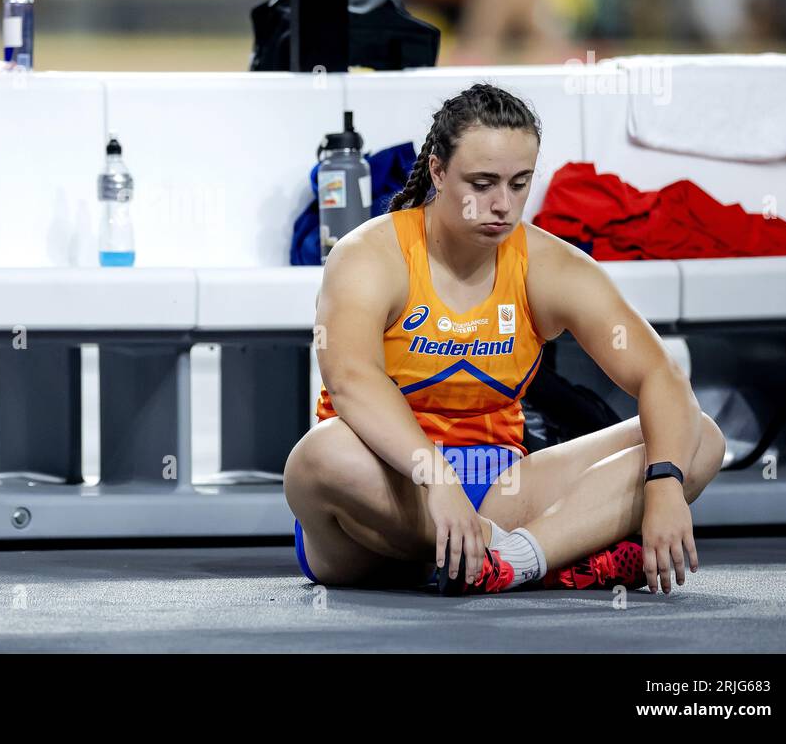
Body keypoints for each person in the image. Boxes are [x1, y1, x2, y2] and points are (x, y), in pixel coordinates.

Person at [284, 84, 726, 595]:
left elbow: (658, 374)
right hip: (384, 498)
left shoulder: (548, 265)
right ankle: (551, 551)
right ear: (437, 171)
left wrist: (666, 482)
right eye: (482, 182)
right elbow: (351, 380)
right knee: (318, 456)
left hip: (502, 490)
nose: (502, 205)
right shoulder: (370, 255)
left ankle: (516, 560)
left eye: (519, 184)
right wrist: (436, 478)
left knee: (699, 436)